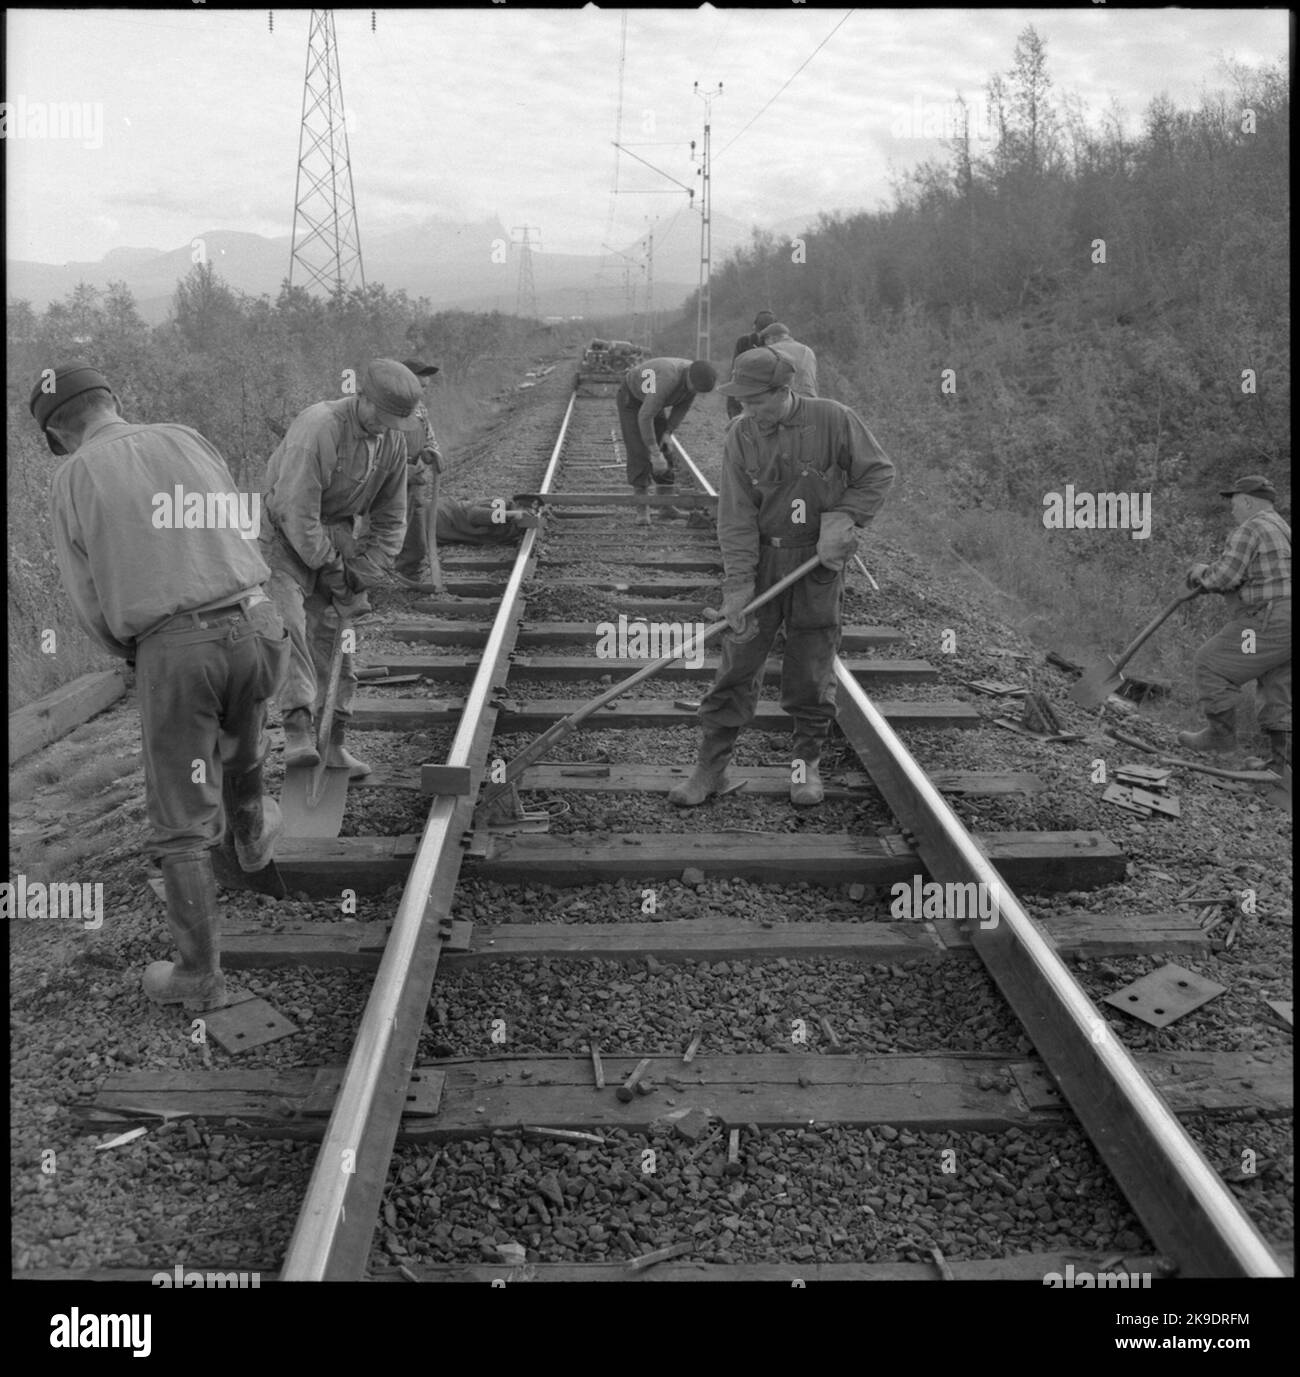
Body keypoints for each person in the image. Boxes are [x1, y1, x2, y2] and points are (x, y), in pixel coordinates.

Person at [33, 361, 289, 1010]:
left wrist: (136, 652)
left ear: (59, 434)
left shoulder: (75, 476)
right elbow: (233, 524)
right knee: (241, 743)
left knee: (180, 821)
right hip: (257, 621)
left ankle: (198, 974)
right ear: (114, 399)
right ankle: (252, 841)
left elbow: (90, 597)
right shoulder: (185, 435)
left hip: (180, 648)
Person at [669, 347, 896, 809]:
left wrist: (846, 517)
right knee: (737, 660)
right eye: (742, 402)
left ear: (783, 391)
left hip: (818, 564)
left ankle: (804, 765)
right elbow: (734, 517)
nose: (746, 411)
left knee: (811, 670)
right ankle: (711, 766)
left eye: (755, 401)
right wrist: (737, 586)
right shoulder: (741, 435)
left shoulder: (834, 419)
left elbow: (878, 472)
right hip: (763, 559)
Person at [261, 358, 422, 777]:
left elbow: (392, 518)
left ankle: (333, 740)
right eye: (381, 416)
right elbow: (297, 514)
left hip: (335, 537)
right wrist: (333, 571)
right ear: (361, 397)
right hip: (280, 539)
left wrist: (364, 571)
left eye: (394, 422)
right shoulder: (319, 428)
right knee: (290, 627)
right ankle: (297, 729)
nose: (385, 427)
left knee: (339, 638)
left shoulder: (391, 440)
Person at [1178, 474, 1290, 774]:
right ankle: (1280, 767)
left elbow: (1225, 577)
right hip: (1287, 622)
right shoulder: (1282, 527)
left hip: (1269, 617)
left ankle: (1221, 738)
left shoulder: (1251, 527)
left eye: (1234, 502)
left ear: (1248, 501)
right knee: (1276, 682)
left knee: (1210, 663)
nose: (1231, 509)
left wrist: (1201, 572)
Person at [616, 355, 717, 525]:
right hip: (632, 400)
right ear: (688, 377)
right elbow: (645, 416)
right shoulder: (667, 378)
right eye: (694, 388)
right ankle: (642, 507)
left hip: (652, 400)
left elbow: (681, 408)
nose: (694, 392)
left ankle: (666, 506)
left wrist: (668, 432)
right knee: (639, 450)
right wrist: (654, 453)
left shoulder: (693, 381)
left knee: (666, 449)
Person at [393, 359, 444, 589]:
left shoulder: (420, 408)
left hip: (416, 481)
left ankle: (409, 578)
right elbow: (374, 455)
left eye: (425, 386)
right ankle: (374, 581)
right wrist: (403, 470)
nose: (424, 389)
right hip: (389, 483)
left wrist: (430, 452)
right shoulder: (388, 409)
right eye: (421, 385)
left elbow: (429, 437)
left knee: (415, 535)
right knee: (386, 530)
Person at [725, 309, 777, 420]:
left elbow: (735, 370)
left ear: (754, 326)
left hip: (741, 396)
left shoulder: (743, 341)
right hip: (762, 399)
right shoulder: (778, 346)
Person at [758, 320, 818, 398]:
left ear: (771, 338)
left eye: (765, 341)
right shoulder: (808, 350)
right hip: (810, 399)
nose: (766, 344)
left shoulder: (771, 350)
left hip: (786, 400)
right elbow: (814, 381)